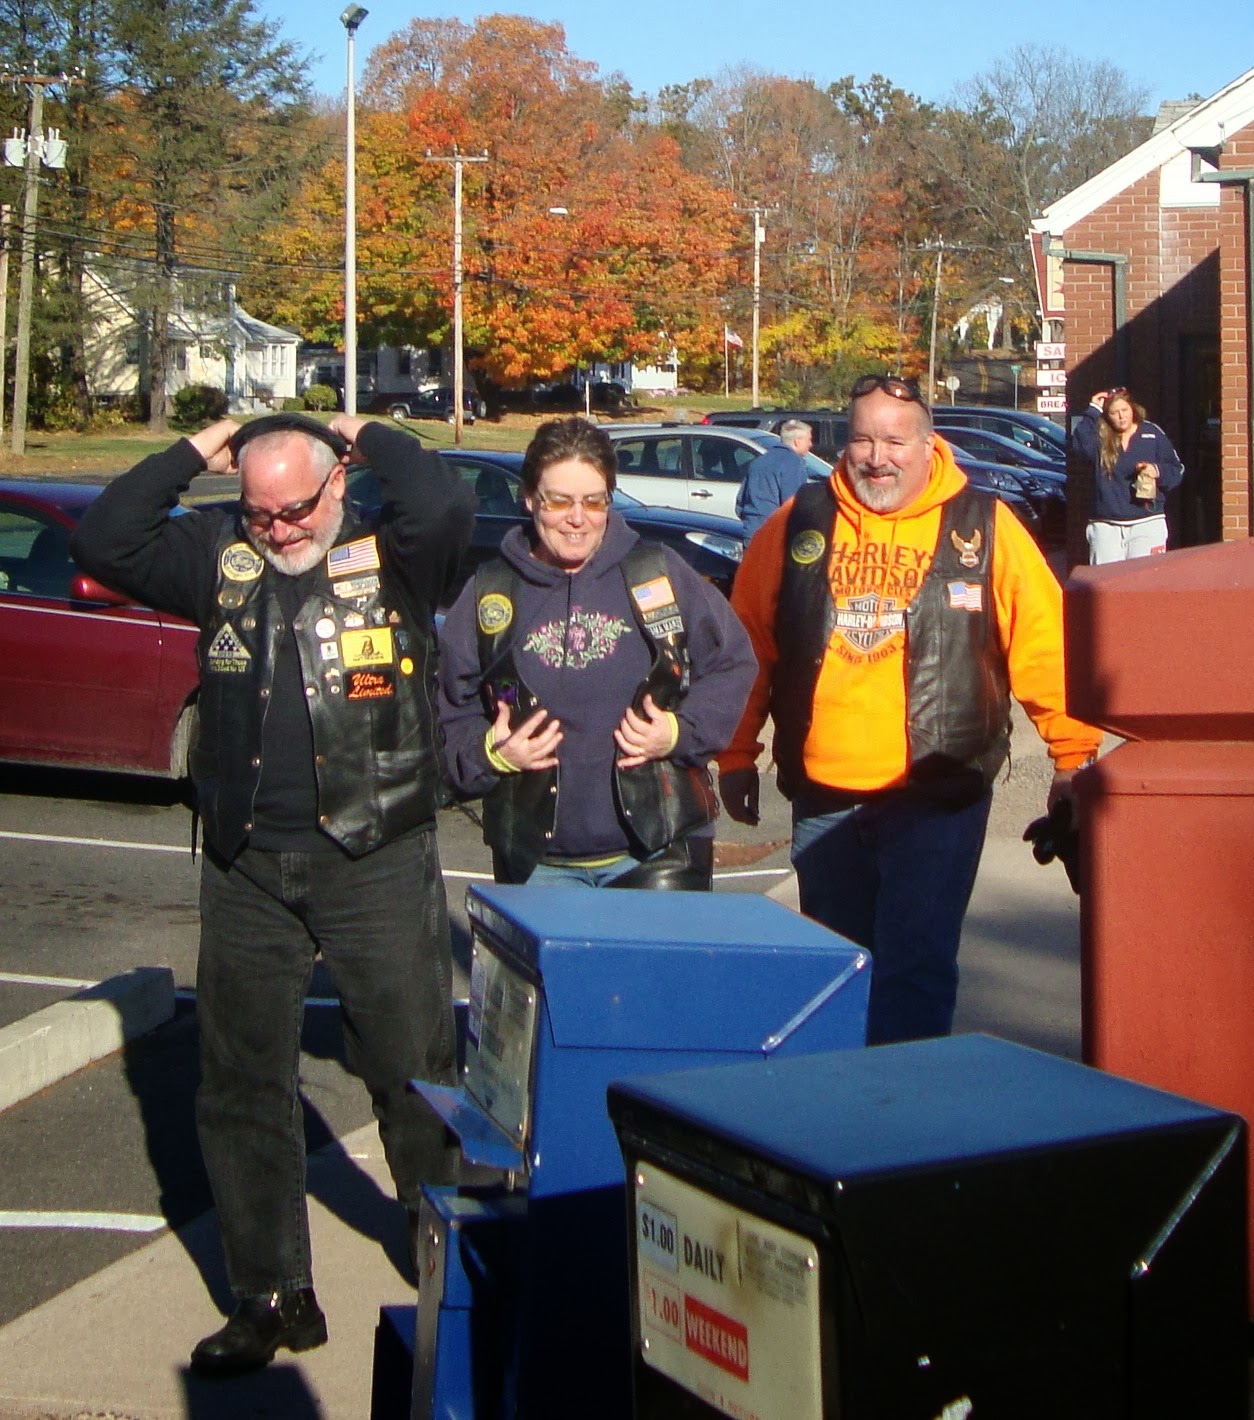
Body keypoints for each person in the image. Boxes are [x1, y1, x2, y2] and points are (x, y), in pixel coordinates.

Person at [70, 411, 474, 1375]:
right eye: (260, 512)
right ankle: (270, 1295)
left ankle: (449, 1265)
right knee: (241, 1081)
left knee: (413, 1069)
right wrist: (196, 450)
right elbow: (105, 538)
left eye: (295, 509)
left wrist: (369, 430)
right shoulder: (218, 554)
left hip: (375, 849)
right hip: (246, 858)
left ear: (337, 482)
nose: (279, 530)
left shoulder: (394, 553)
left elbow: (443, 503)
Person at [717, 374, 1102, 1045]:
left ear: (928, 445)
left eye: (895, 441)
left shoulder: (985, 526)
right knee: (836, 974)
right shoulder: (797, 523)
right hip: (825, 796)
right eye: (862, 439)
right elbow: (747, 647)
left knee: (915, 972)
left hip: (937, 796)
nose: (878, 457)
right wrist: (734, 753)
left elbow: (1047, 647)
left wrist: (1073, 758)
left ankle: (905, 1103)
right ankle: (842, 1103)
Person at [439, 417, 756, 889]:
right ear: (529, 499)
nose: (577, 518)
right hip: (535, 860)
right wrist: (490, 753)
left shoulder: (657, 572)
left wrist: (679, 732)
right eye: (559, 501)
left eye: (593, 501)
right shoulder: (490, 592)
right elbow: (450, 704)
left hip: (658, 849)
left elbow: (732, 662)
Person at [1072, 388, 1183, 563]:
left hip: (1147, 522)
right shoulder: (1100, 437)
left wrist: (1156, 471)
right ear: (1107, 416)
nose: (1121, 416)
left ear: (1133, 409)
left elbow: (1176, 470)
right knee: (1107, 578)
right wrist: (1093, 410)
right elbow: (1079, 445)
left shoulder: (1152, 433)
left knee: (1142, 576)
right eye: (1114, 413)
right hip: (1106, 524)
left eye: (1124, 410)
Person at [736, 418, 814, 538]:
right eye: (809, 439)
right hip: (774, 534)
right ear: (797, 441)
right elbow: (793, 506)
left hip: (751, 532)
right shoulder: (793, 463)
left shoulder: (758, 461)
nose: (811, 444)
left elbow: (740, 504)